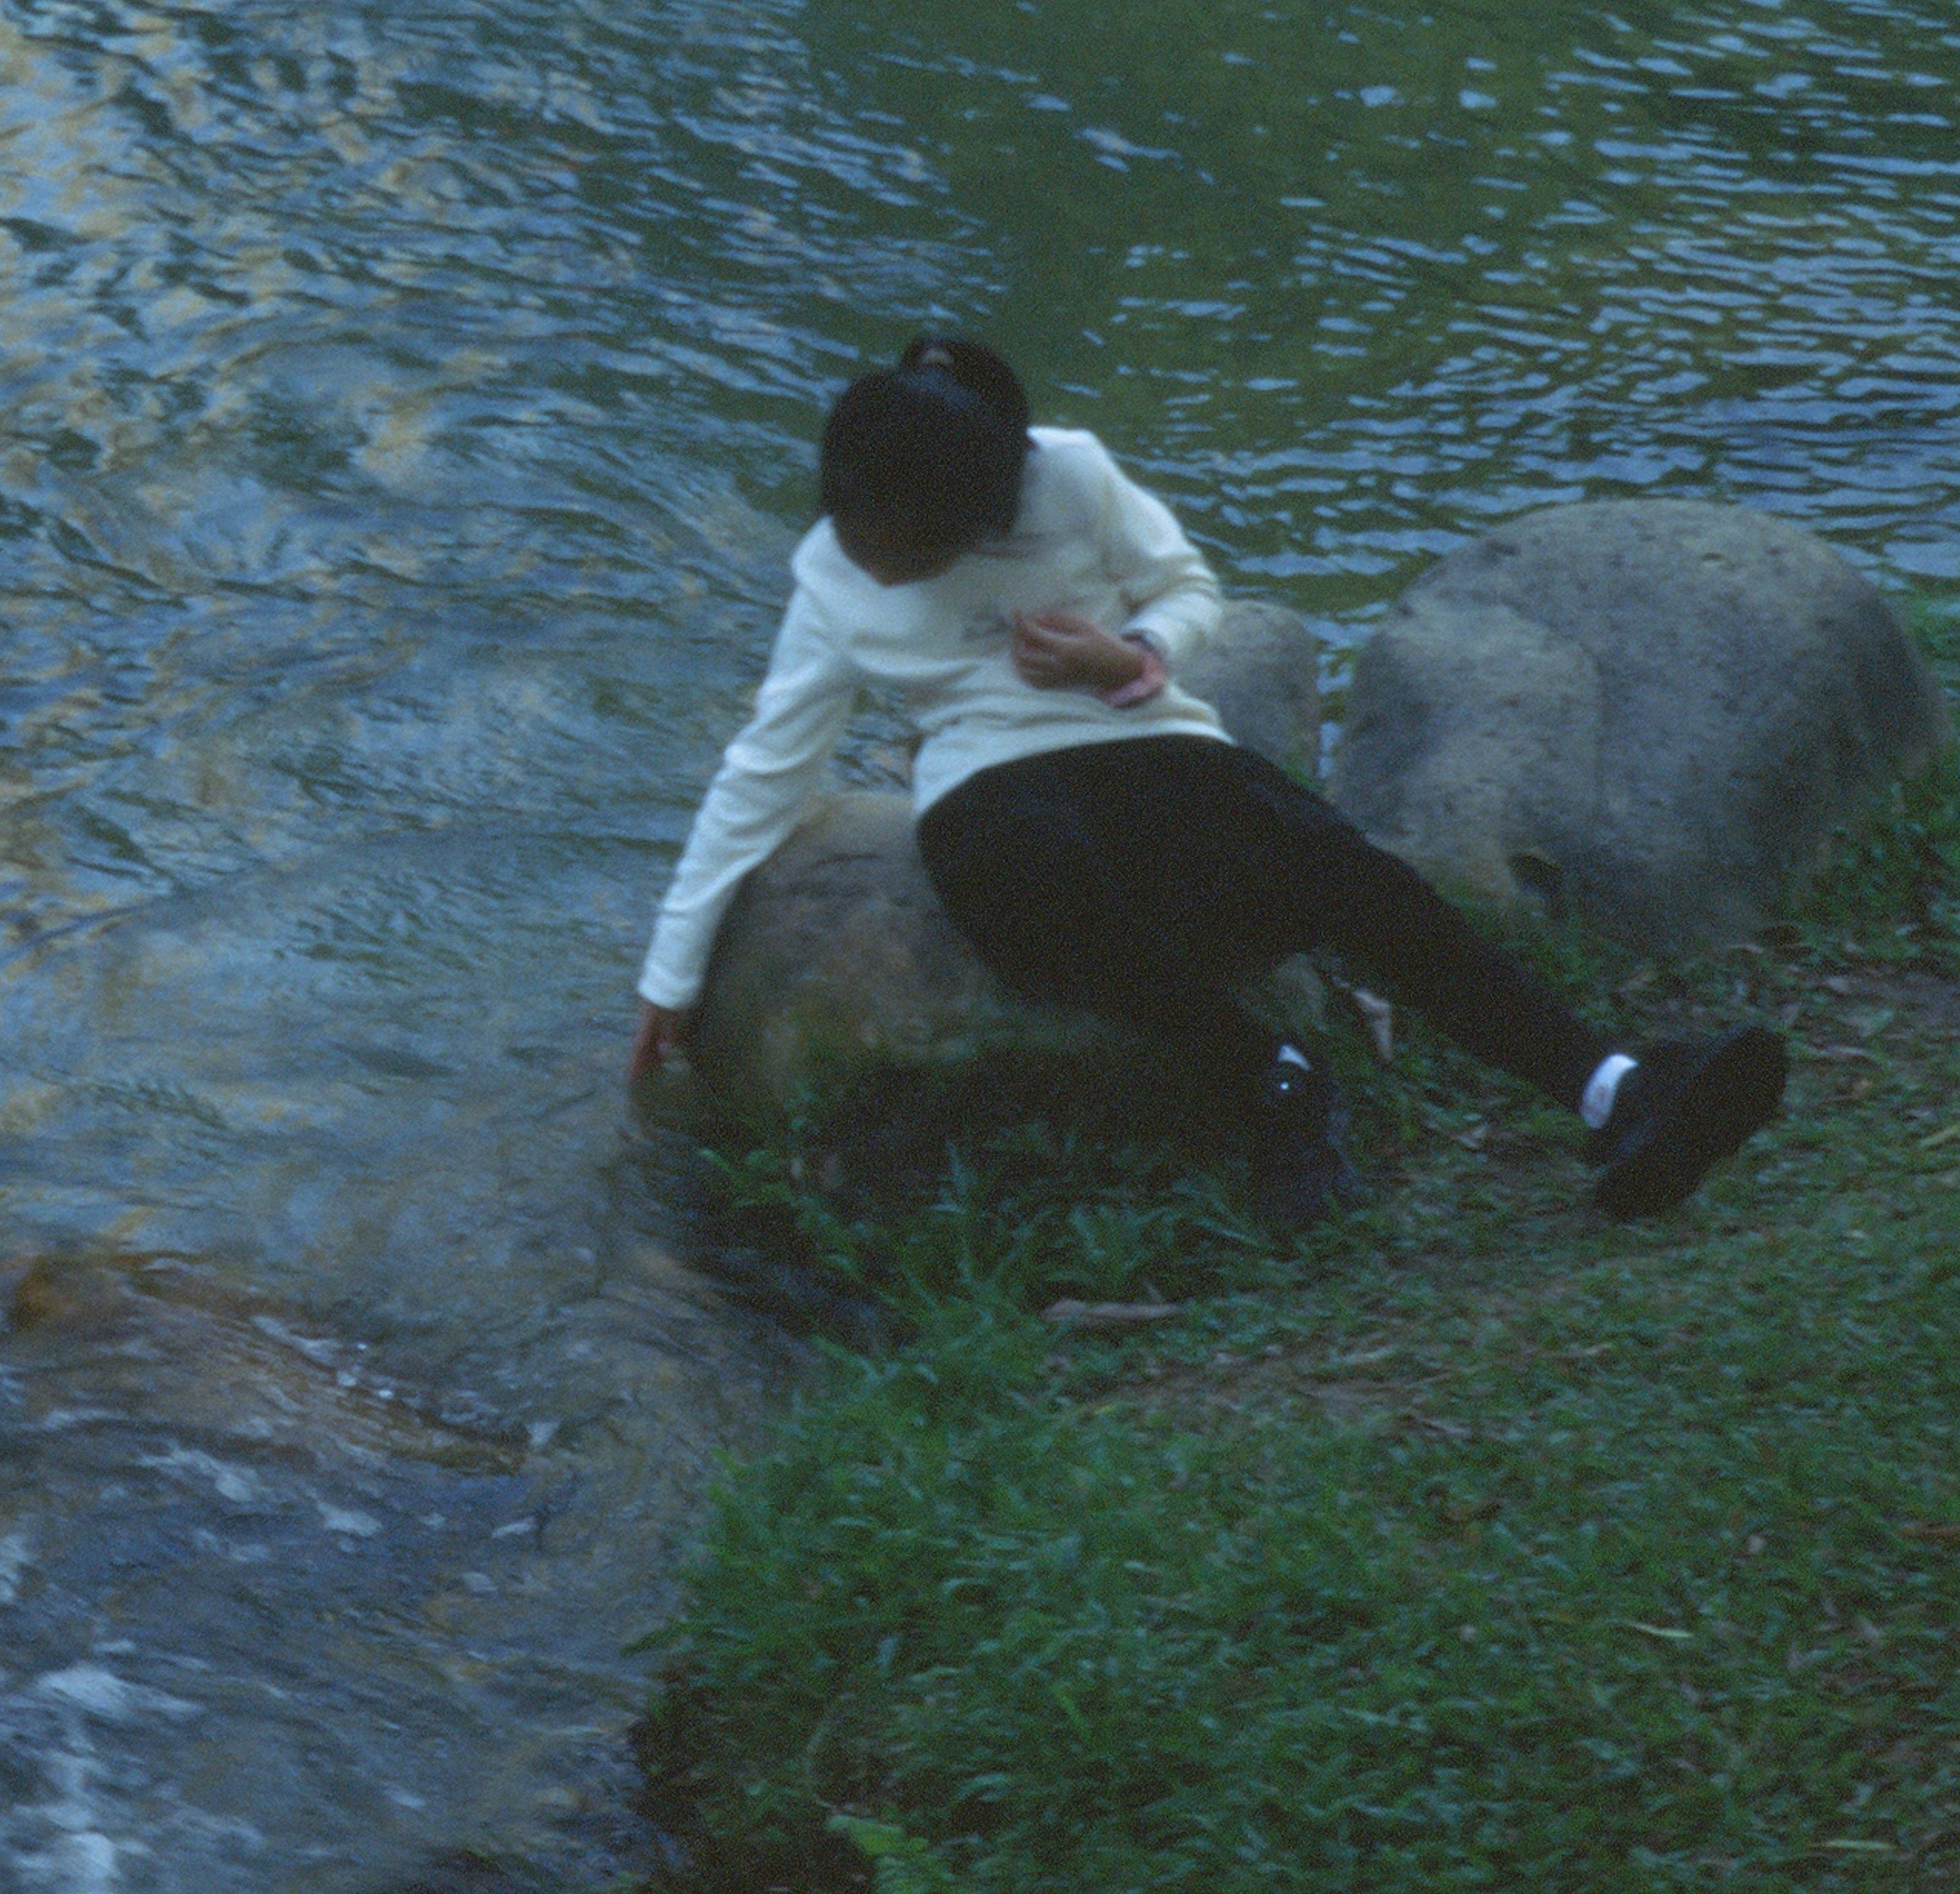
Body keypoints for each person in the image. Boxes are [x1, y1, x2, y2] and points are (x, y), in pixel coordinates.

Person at [628, 335, 1788, 1231]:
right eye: (851, 525)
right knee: (1032, 881)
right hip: (989, 785)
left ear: (985, 521)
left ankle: (1612, 1087)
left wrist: (1127, 659)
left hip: (1145, 739)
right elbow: (761, 771)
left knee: (1340, 871)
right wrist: (673, 976)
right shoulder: (830, 582)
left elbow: (1188, 589)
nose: (865, 559)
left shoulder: (1070, 476)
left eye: (903, 546)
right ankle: (1267, 1076)